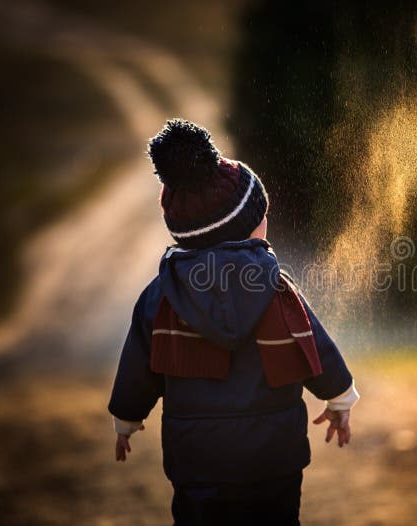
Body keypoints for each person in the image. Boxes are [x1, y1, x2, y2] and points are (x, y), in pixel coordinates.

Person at [108, 119, 359, 525]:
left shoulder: (162, 295)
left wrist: (126, 419)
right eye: (262, 214)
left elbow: (138, 365)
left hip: (197, 460)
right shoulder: (277, 288)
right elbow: (314, 346)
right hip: (273, 458)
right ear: (247, 226)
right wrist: (340, 400)